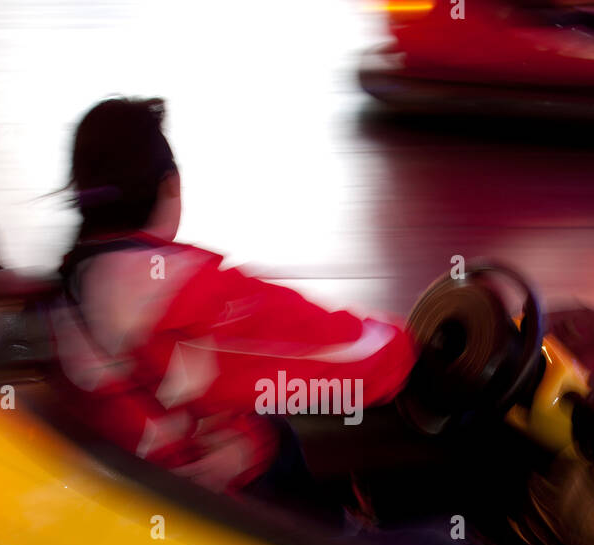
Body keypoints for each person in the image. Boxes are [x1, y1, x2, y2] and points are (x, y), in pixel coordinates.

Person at [50, 97, 416, 503]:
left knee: (280, 425)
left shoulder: (71, 282)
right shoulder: (182, 291)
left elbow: (173, 392)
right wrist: (407, 339)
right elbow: (362, 359)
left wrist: (247, 440)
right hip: (202, 523)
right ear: (170, 184)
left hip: (130, 494)